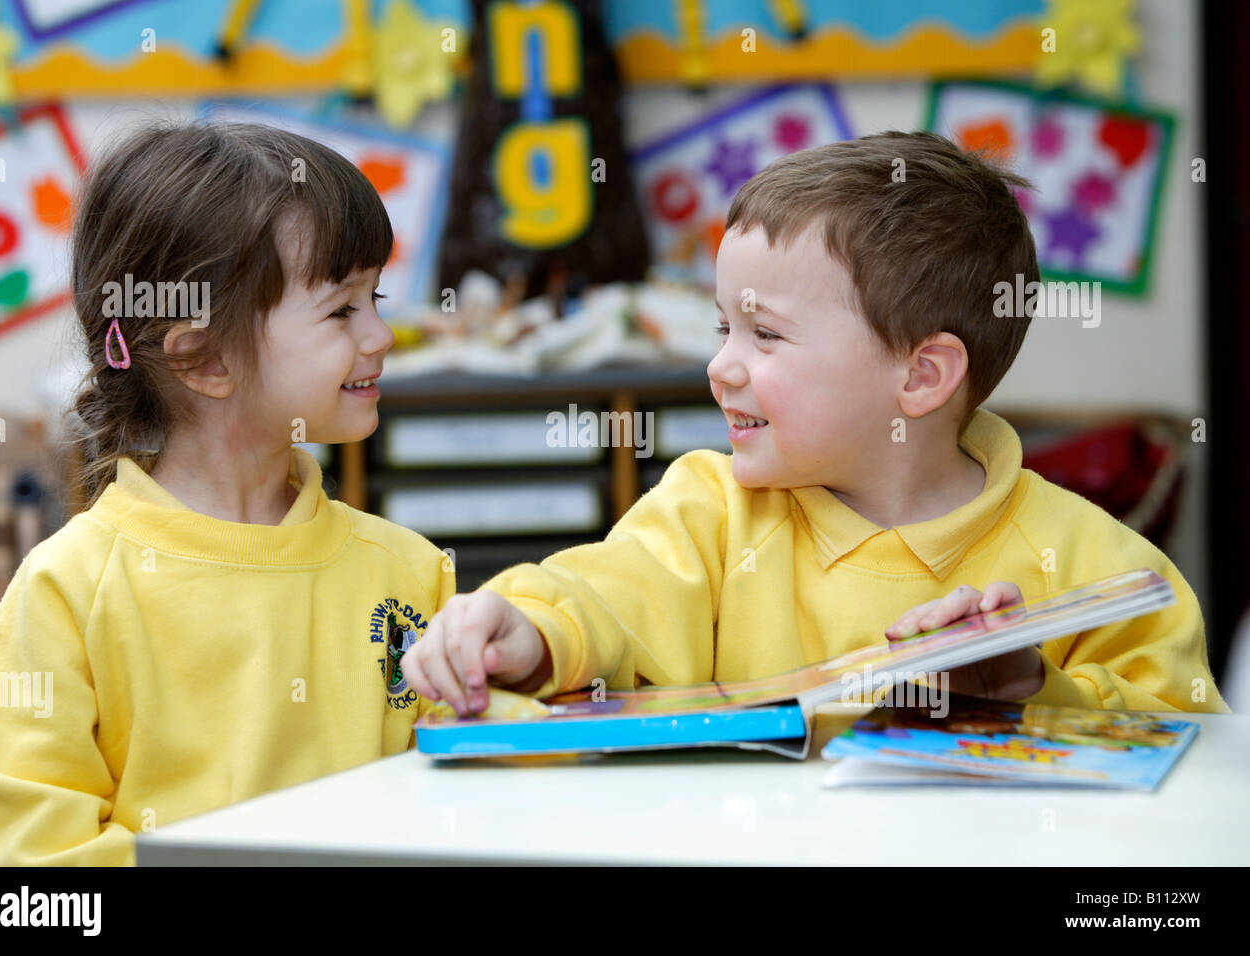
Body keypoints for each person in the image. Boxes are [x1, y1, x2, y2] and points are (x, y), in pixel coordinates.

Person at [402, 131, 1229, 717]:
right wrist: (529, 631)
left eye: (764, 334)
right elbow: (602, 597)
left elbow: (1190, 757)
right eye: (723, 328)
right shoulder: (709, 511)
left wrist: (1031, 690)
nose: (721, 366)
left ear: (921, 375)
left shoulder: (1105, 566)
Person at [0, 122, 549, 865]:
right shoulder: (67, 592)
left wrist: (526, 689)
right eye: (342, 310)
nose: (383, 335)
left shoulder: (409, 569)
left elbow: (475, 783)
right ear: (203, 358)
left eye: (377, 297)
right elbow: (35, 852)